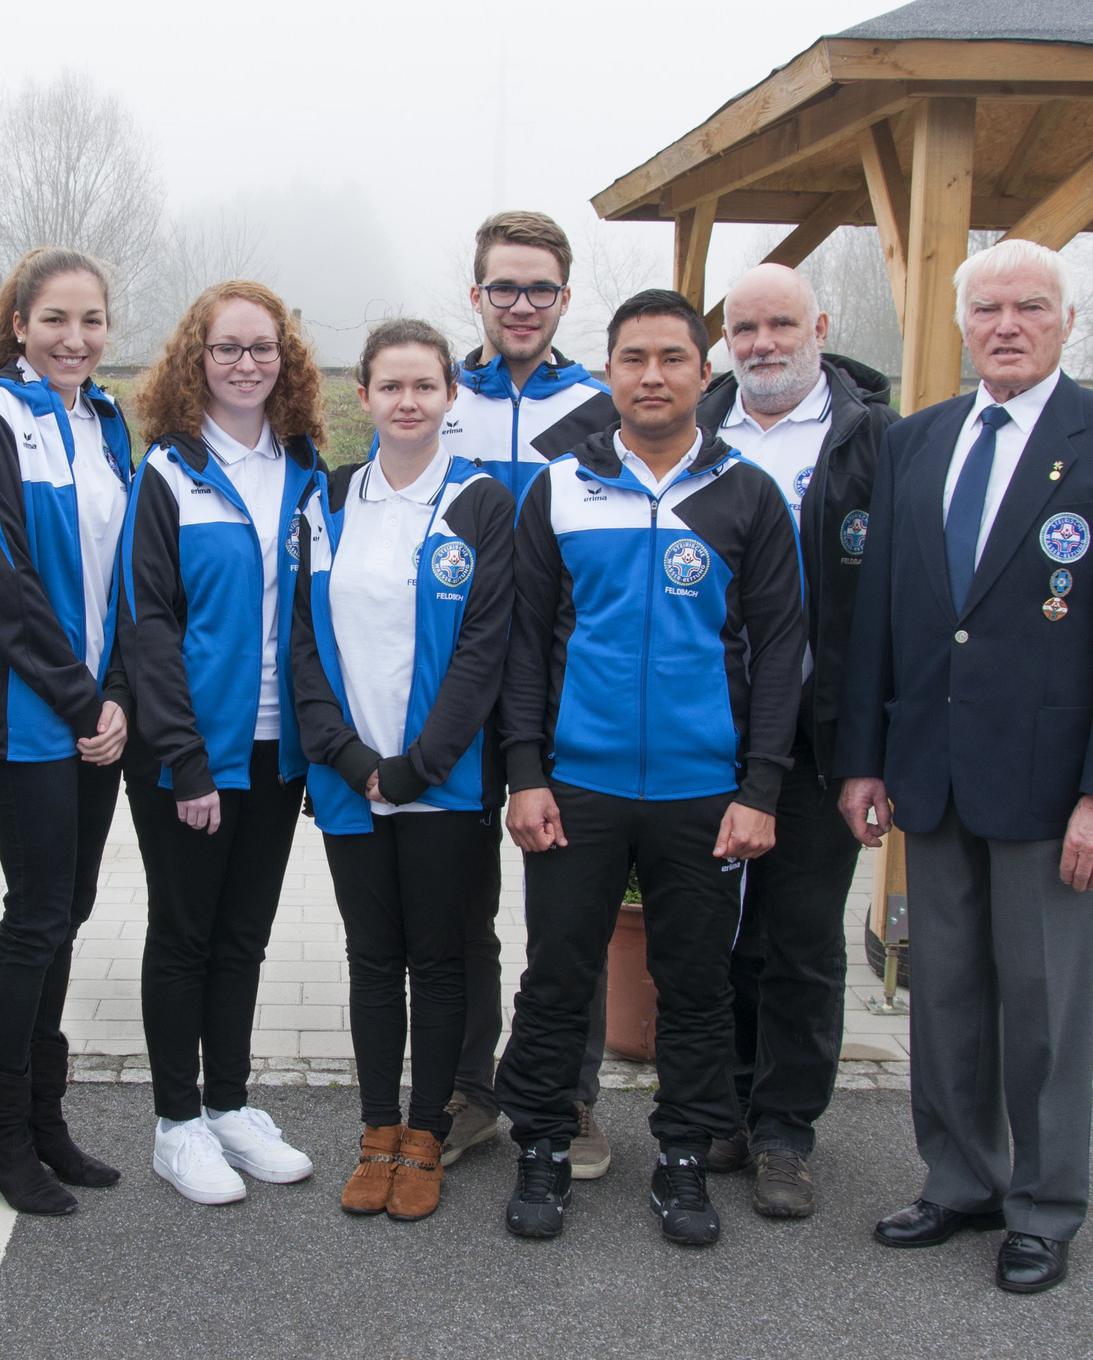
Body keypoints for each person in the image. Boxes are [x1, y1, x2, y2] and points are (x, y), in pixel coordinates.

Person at [837, 238, 1093, 1295]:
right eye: (985, 307)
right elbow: (884, 616)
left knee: (1043, 1005)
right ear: (960, 323)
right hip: (930, 776)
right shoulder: (916, 441)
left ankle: (1042, 1206)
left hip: (1050, 790)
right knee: (942, 992)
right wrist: (863, 757)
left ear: (1065, 321)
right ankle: (958, 1178)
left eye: (1028, 307)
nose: (1005, 325)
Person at [493, 289, 804, 1249]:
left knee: (697, 983)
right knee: (557, 977)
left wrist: (760, 790)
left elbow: (781, 646)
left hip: (701, 792)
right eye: (633, 358)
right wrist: (525, 774)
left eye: (673, 357)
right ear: (610, 372)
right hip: (576, 786)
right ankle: (543, 1142)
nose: (653, 375)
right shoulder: (557, 488)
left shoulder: (746, 492)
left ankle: (683, 1156)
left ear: (702, 375)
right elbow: (526, 646)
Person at [293, 318, 515, 1223]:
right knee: (373, 959)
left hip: (443, 783)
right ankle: (377, 1133)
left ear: (451, 396)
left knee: (442, 958)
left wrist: (417, 768)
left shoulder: (482, 504)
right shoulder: (328, 498)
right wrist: (353, 761)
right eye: (392, 386)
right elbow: (302, 644)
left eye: (426, 386)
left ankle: (428, 1135)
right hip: (351, 779)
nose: (409, 401)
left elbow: (484, 653)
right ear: (365, 396)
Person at [692, 262, 899, 1216]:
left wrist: (874, 751)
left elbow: (903, 606)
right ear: (723, 341)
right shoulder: (694, 430)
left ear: (822, 324)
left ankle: (784, 1131)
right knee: (718, 936)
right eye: (745, 329)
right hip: (705, 738)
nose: (764, 343)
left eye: (782, 324)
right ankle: (725, 1106)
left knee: (802, 942)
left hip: (818, 743)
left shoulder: (874, 443)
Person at [120, 281, 327, 1205]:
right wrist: (185, 757)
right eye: (227, 347)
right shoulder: (167, 471)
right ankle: (176, 1124)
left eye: (263, 348)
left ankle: (233, 1106)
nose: (247, 363)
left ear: (286, 359)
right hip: (194, 754)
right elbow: (147, 628)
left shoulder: (308, 470)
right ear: (194, 358)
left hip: (280, 752)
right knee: (184, 935)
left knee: (243, 936)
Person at [0, 248, 132, 1216]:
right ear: (17, 324)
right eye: (55, 319)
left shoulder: (106, 421)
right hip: (29, 719)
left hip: (96, 715)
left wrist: (119, 698)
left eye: (91, 320)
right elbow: (1, 586)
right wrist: (79, 701)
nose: (74, 338)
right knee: (34, 915)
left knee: (68, 910)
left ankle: (45, 1119)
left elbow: (127, 576)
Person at [439, 211, 621, 1179]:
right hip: (454, 694)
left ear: (562, 297)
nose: (519, 305)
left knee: (568, 912)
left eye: (538, 289)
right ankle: (471, 1088)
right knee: (462, 907)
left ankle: (567, 1091)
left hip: (563, 692)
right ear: (474, 295)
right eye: (501, 288)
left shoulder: (601, 406)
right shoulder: (435, 394)